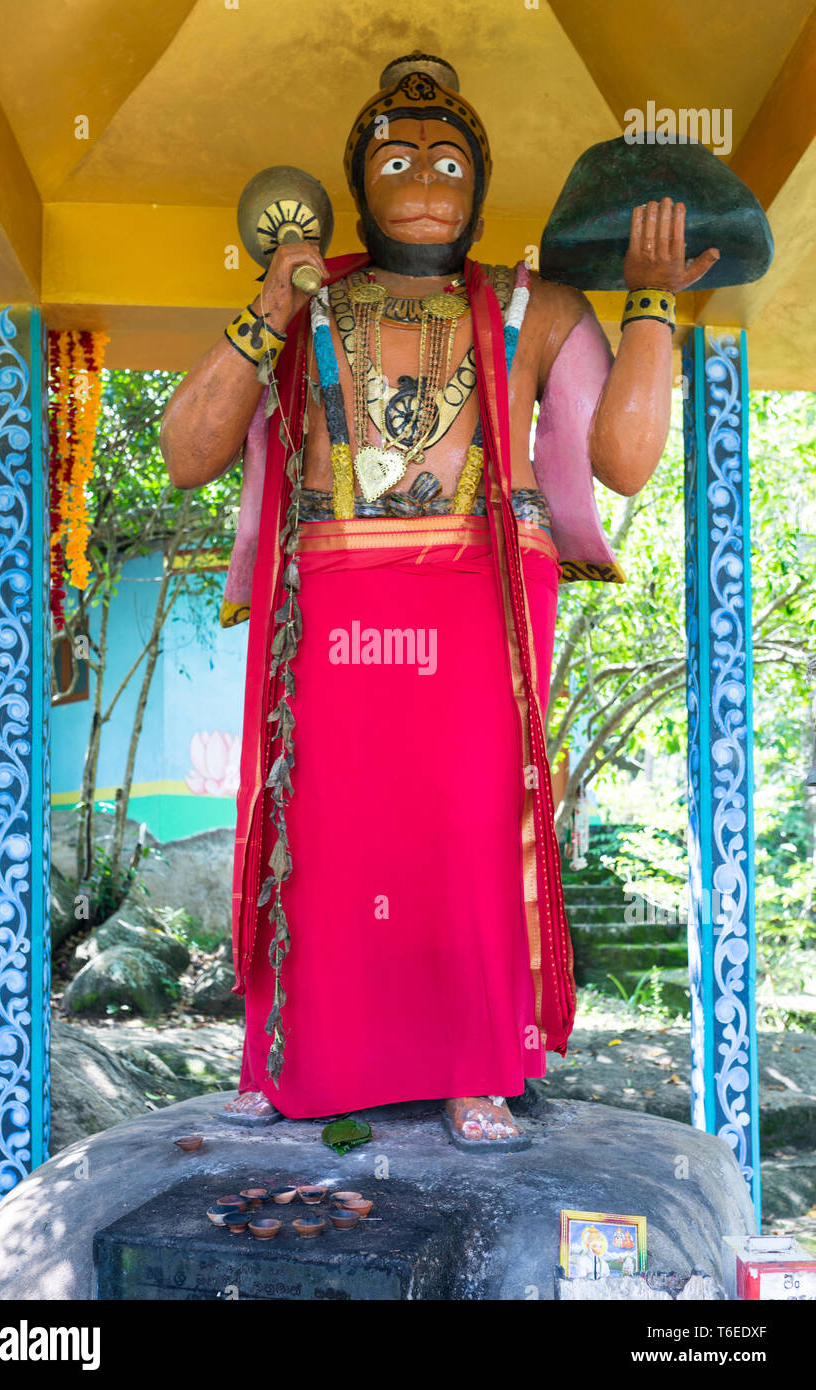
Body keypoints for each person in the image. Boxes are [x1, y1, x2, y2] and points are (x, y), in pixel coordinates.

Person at [161, 53, 718, 1148]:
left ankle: (475, 1061)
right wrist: (272, 303)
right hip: (333, 596)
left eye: (451, 159)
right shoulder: (315, 299)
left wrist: (651, 305)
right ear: (357, 180)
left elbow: (627, 459)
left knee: (468, 833)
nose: (425, 176)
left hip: (479, 600)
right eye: (398, 155)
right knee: (327, 831)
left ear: (480, 182)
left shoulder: (541, 308)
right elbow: (187, 452)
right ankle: (307, 1060)